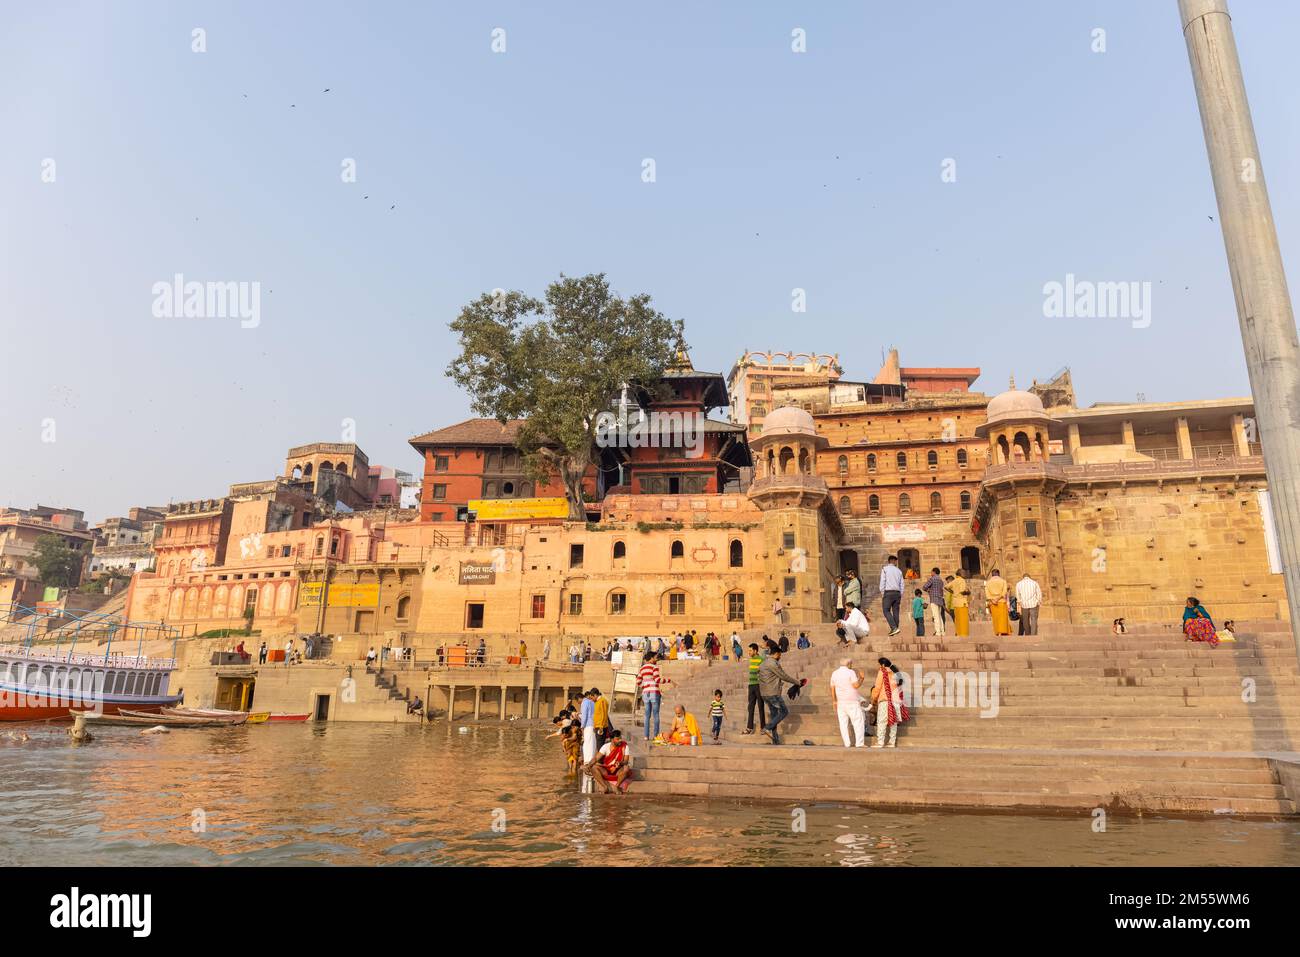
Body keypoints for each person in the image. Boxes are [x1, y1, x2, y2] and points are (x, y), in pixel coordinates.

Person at [758, 646, 804, 745]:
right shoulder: (773, 663)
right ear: (776, 654)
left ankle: (775, 740)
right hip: (773, 693)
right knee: (784, 711)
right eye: (780, 655)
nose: (780, 657)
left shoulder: (763, 663)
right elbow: (783, 676)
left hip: (764, 694)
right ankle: (767, 728)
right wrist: (797, 682)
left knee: (774, 715)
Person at [869, 657, 909, 748]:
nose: (879, 667)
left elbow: (877, 687)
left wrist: (873, 699)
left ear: (882, 665)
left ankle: (880, 742)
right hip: (896, 701)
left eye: (879, 665)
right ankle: (892, 742)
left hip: (885, 700)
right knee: (893, 723)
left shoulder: (882, 672)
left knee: (881, 721)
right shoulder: (896, 672)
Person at [829, 657, 867, 748]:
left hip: (841, 702)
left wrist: (834, 701)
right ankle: (859, 743)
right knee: (858, 722)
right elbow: (856, 685)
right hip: (852, 701)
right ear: (848, 664)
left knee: (843, 724)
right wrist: (861, 678)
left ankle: (847, 743)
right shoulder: (850, 672)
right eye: (851, 664)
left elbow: (832, 688)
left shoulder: (834, 673)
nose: (851, 665)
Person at [586, 729, 632, 794]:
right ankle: (605, 787)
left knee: (626, 768)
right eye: (618, 739)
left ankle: (616, 786)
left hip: (618, 771)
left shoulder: (625, 746)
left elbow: (626, 761)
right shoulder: (605, 746)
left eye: (620, 738)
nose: (620, 740)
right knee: (593, 767)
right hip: (607, 770)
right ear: (612, 740)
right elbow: (596, 758)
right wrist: (588, 766)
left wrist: (620, 763)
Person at [638, 652, 669, 741]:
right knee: (656, 715)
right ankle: (655, 736)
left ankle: (646, 736)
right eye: (655, 658)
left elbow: (638, 682)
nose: (656, 659)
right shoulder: (654, 667)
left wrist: (645, 686)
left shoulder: (642, 668)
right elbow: (657, 680)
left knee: (647, 715)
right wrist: (669, 680)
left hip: (645, 693)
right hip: (654, 692)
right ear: (651, 658)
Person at [742, 642, 767, 735]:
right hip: (751, 685)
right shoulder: (751, 660)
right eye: (748, 650)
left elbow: (764, 672)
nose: (749, 652)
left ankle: (763, 727)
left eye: (750, 650)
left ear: (755, 651)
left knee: (761, 706)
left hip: (759, 685)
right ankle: (749, 727)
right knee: (750, 707)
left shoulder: (761, 659)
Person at [879, 555, 904, 636]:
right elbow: (902, 584)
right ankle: (895, 628)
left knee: (886, 610)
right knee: (896, 611)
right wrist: (900, 594)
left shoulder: (885, 569)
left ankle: (894, 628)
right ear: (892, 561)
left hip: (888, 592)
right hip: (897, 593)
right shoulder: (899, 571)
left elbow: (882, 582)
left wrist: (882, 593)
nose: (896, 562)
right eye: (895, 561)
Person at [985, 569, 1011, 636]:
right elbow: (1004, 592)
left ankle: (997, 631)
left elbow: (987, 594)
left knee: (995, 618)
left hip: (992, 602)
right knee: (1002, 618)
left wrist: (992, 600)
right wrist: (998, 598)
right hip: (1001, 601)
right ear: (998, 574)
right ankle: (1002, 631)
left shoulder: (988, 582)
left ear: (992, 574)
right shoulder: (1003, 581)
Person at [1015, 572, 1042, 636]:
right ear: (1029, 577)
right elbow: (1039, 593)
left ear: (1023, 577)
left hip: (1024, 604)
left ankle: (1027, 633)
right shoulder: (1034, 583)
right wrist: (1038, 601)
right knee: (1034, 619)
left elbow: (1017, 595)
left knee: (1025, 620)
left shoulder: (1019, 584)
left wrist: (1020, 602)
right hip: (1034, 604)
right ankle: (1033, 634)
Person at [923, 567, 946, 637]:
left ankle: (938, 632)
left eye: (931, 572)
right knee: (939, 616)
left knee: (936, 616)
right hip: (940, 599)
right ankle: (942, 632)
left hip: (933, 599)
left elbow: (924, 587)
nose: (931, 573)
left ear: (934, 572)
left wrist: (928, 590)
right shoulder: (941, 580)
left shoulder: (932, 579)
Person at [947, 572, 970, 638]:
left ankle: (958, 633)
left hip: (955, 604)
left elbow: (946, 587)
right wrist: (968, 592)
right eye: (964, 573)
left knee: (957, 620)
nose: (965, 574)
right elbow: (962, 591)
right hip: (962, 603)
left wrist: (953, 592)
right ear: (961, 574)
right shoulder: (962, 580)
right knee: (963, 620)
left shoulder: (954, 581)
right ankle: (964, 634)